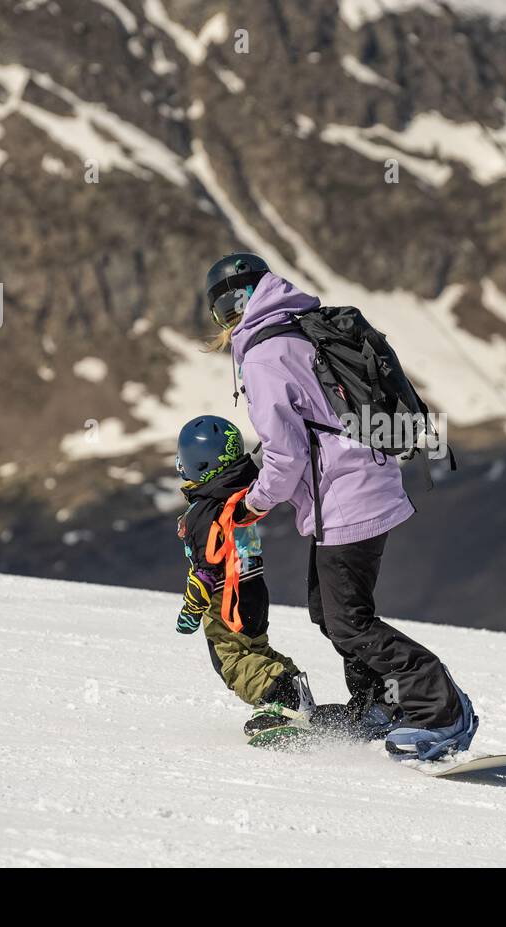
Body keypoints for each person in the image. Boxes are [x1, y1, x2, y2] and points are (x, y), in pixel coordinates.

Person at [203, 252, 478, 760]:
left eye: (223, 308)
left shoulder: (265, 356)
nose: (223, 322)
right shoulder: (301, 328)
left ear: (237, 302)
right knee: (329, 612)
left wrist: (252, 506)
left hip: (347, 500)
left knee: (348, 619)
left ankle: (441, 710)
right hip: (366, 486)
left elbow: (284, 459)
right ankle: (378, 703)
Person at [174, 414, 315, 737]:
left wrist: (192, 611)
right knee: (253, 646)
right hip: (253, 588)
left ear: (199, 464)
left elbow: (207, 568)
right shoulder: (241, 493)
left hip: (226, 597)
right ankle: (292, 689)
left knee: (231, 660)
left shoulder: (204, 511)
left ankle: (280, 696)